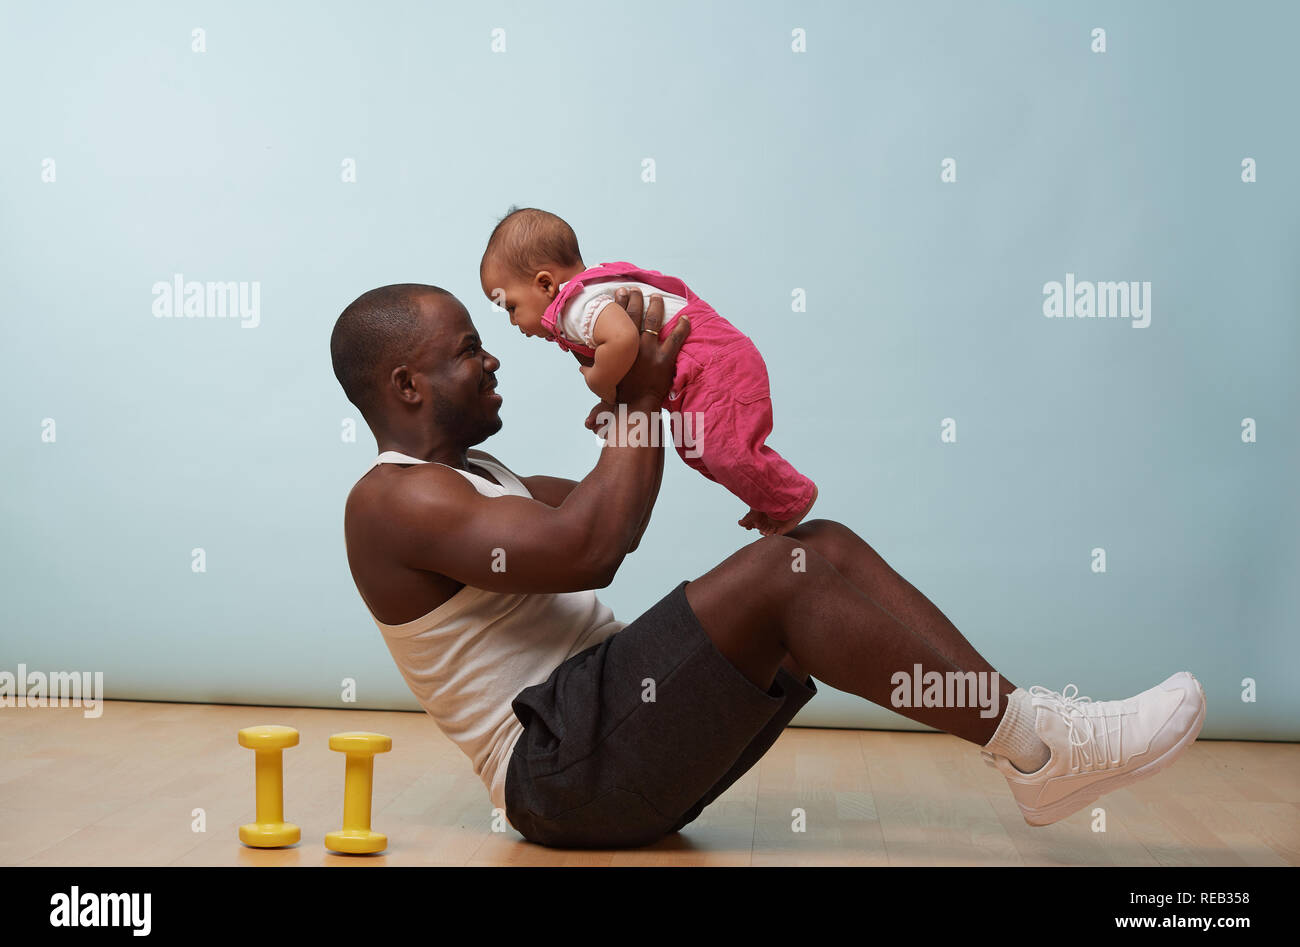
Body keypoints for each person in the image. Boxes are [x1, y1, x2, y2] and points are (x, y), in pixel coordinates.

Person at [330, 282, 1207, 849]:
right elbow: (593, 548)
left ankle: (1035, 744)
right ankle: (1045, 748)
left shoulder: (478, 478)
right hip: (559, 767)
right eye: (466, 350)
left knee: (816, 545)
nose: (490, 359)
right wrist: (635, 399)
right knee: (780, 576)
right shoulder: (391, 501)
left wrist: (664, 394)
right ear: (406, 386)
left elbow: (611, 495)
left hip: (609, 732)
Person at [479, 206, 817, 535]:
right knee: (696, 449)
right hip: (701, 370)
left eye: (511, 306)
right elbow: (630, 360)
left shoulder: (575, 305)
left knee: (721, 449)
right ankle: (767, 493)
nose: (512, 321)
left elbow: (624, 339)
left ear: (545, 284)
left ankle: (791, 498)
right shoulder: (589, 293)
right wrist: (616, 402)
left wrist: (600, 381)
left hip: (712, 364)